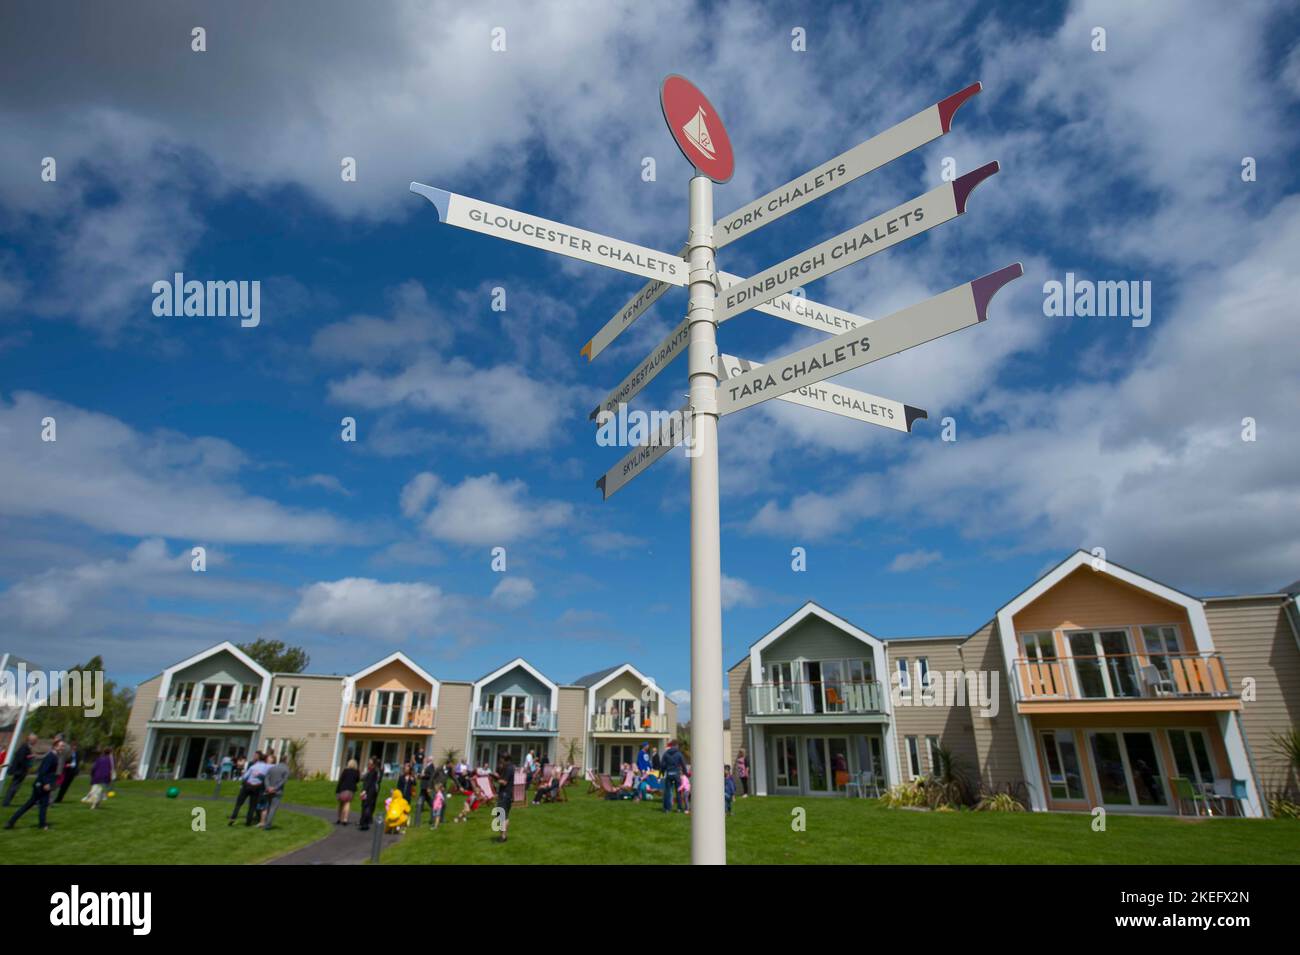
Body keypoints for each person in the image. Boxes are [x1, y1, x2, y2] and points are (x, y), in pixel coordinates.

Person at [4, 738, 63, 830]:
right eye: (60, 746)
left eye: (62, 746)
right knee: (40, 805)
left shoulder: (54, 756)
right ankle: (41, 824)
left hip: (41, 784)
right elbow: (43, 771)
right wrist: (46, 783)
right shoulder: (51, 757)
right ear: (55, 746)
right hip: (41, 785)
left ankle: (12, 822)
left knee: (35, 804)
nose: (62, 748)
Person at [229, 750, 269, 827]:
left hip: (248, 785)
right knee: (252, 805)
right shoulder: (266, 767)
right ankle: (248, 822)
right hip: (257, 787)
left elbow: (244, 777)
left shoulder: (253, 766)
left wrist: (244, 775)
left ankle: (233, 817)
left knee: (239, 803)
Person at [1, 733, 38, 807]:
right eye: (35, 740)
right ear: (31, 740)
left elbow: (22, 757)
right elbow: (21, 759)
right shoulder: (24, 747)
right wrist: (27, 764)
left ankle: (7, 802)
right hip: (19, 770)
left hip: (20, 770)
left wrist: (30, 756)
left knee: (15, 786)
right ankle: (6, 802)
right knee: (14, 787)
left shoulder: (25, 747)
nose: (36, 742)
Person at [260, 752, 290, 830]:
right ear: (286, 761)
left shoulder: (272, 768)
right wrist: (275, 788)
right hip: (277, 792)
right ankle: (267, 825)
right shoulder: (286, 769)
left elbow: (266, 778)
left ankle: (265, 822)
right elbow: (283, 781)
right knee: (273, 808)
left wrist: (268, 787)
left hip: (268, 790)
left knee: (268, 807)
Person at [494, 752, 516, 843]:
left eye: (501, 759)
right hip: (506, 793)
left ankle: (503, 837)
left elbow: (504, 782)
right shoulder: (508, 767)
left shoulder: (509, 768)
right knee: (501, 815)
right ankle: (503, 835)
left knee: (503, 815)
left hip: (505, 794)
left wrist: (495, 778)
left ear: (505, 759)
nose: (500, 760)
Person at [660, 740, 687, 813]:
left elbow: (662, 765)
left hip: (669, 773)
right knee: (678, 791)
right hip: (676, 773)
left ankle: (667, 808)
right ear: (676, 745)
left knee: (667, 791)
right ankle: (679, 808)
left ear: (671, 745)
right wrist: (685, 773)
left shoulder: (666, 754)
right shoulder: (679, 754)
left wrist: (662, 773)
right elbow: (683, 764)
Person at [358, 757, 381, 831]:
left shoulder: (373, 772)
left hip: (370, 791)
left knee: (367, 806)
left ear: (373, 764)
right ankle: (364, 822)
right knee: (365, 805)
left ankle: (365, 822)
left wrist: (364, 790)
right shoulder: (370, 771)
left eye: (370, 763)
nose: (368, 764)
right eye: (368, 763)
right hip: (370, 790)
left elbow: (369, 782)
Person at [335, 758, 360, 825]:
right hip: (351, 790)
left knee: (341, 804)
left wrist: (337, 791)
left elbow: (341, 780)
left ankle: (339, 819)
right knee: (347, 803)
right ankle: (345, 819)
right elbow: (357, 780)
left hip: (343, 789)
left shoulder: (345, 771)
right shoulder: (357, 772)